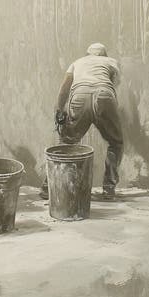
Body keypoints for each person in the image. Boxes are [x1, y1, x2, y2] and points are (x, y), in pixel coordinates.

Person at [40, 43, 124, 201]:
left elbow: (64, 88)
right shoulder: (112, 62)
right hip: (104, 95)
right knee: (116, 143)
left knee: (67, 143)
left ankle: (48, 188)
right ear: (104, 55)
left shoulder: (77, 62)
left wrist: (59, 110)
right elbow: (113, 86)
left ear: (87, 54)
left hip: (80, 95)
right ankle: (109, 189)